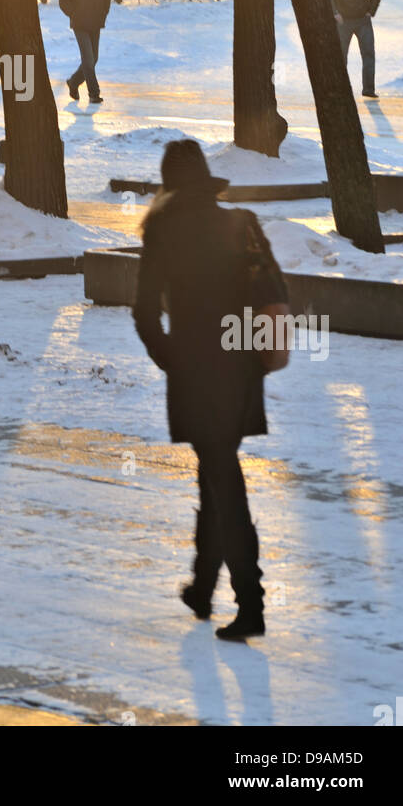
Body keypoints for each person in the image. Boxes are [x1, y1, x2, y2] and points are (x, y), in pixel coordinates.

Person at [133, 139, 289, 641]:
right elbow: (276, 293)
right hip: (242, 369)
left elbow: (143, 313)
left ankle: (252, 603)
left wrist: (173, 360)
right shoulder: (241, 223)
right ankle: (203, 587)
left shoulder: (162, 230)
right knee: (216, 472)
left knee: (223, 479)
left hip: (197, 374)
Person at [58, 0, 112, 105]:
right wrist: (73, 13)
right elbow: (63, 0)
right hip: (80, 24)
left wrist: (103, 12)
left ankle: (73, 82)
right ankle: (94, 94)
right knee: (88, 59)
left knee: (93, 59)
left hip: (95, 23)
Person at [328, 0, 381, 98]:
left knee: (369, 54)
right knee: (341, 56)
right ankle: (340, 88)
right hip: (343, 21)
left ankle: (368, 89)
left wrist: (371, 11)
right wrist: (335, 13)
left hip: (363, 21)